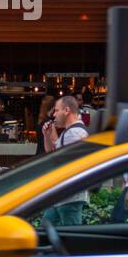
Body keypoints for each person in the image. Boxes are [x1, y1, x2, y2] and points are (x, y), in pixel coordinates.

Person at [42, 96, 89, 226]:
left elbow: (68, 165)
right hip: (62, 196)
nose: (54, 114)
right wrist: (47, 136)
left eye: (57, 110)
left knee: (73, 238)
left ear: (66, 110)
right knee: (45, 230)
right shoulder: (69, 132)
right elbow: (53, 153)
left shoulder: (74, 134)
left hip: (70, 197)